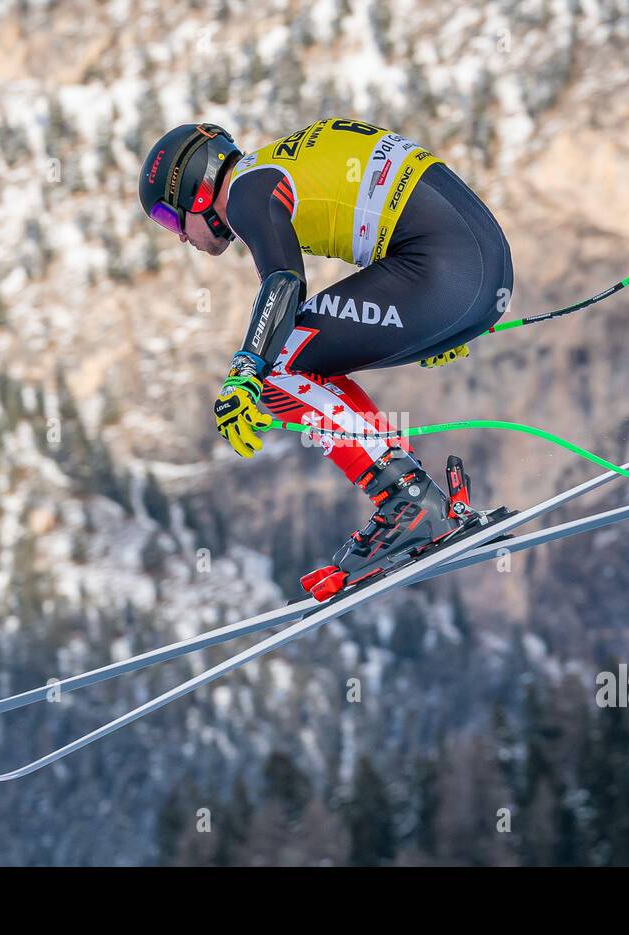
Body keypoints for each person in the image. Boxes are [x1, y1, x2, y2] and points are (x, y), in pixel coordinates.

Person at [140, 119, 515, 599]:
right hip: (480, 271)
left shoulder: (247, 191)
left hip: (444, 271)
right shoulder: (275, 165)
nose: (179, 238)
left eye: (170, 220)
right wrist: (441, 323)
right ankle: (412, 499)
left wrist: (245, 370)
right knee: (292, 349)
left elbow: (283, 283)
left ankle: (408, 501)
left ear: (197, 192)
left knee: (278, 364)